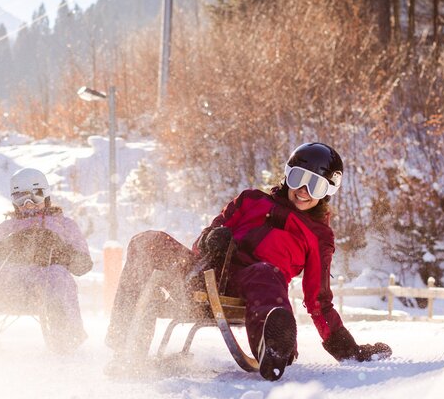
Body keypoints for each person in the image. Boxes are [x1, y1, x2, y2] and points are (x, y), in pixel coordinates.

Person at [106, 142, 390, 381]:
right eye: (298, 178)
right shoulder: (250, 200)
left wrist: (348, 349)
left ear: (327, 191)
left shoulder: (318, 235)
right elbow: (203, 238)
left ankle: (273, 347)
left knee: (265, 272)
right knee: (147, 241)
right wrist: (210, 240)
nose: (304, 190)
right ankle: (124, 347)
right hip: (205, 274)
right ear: (288, 176)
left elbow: (318, 300)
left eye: (315, 185)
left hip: (253, 289)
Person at [0, 168, 93, 353]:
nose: (28, 204)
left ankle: (65, 340)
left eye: (35, 196)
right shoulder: (7, 228)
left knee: (57, 273)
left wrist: (60, 252)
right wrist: (11, 244)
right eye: (21, 198)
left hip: (45, 285)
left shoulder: (64, 225)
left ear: (46, 195)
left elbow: (83, 265)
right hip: (9, 285)